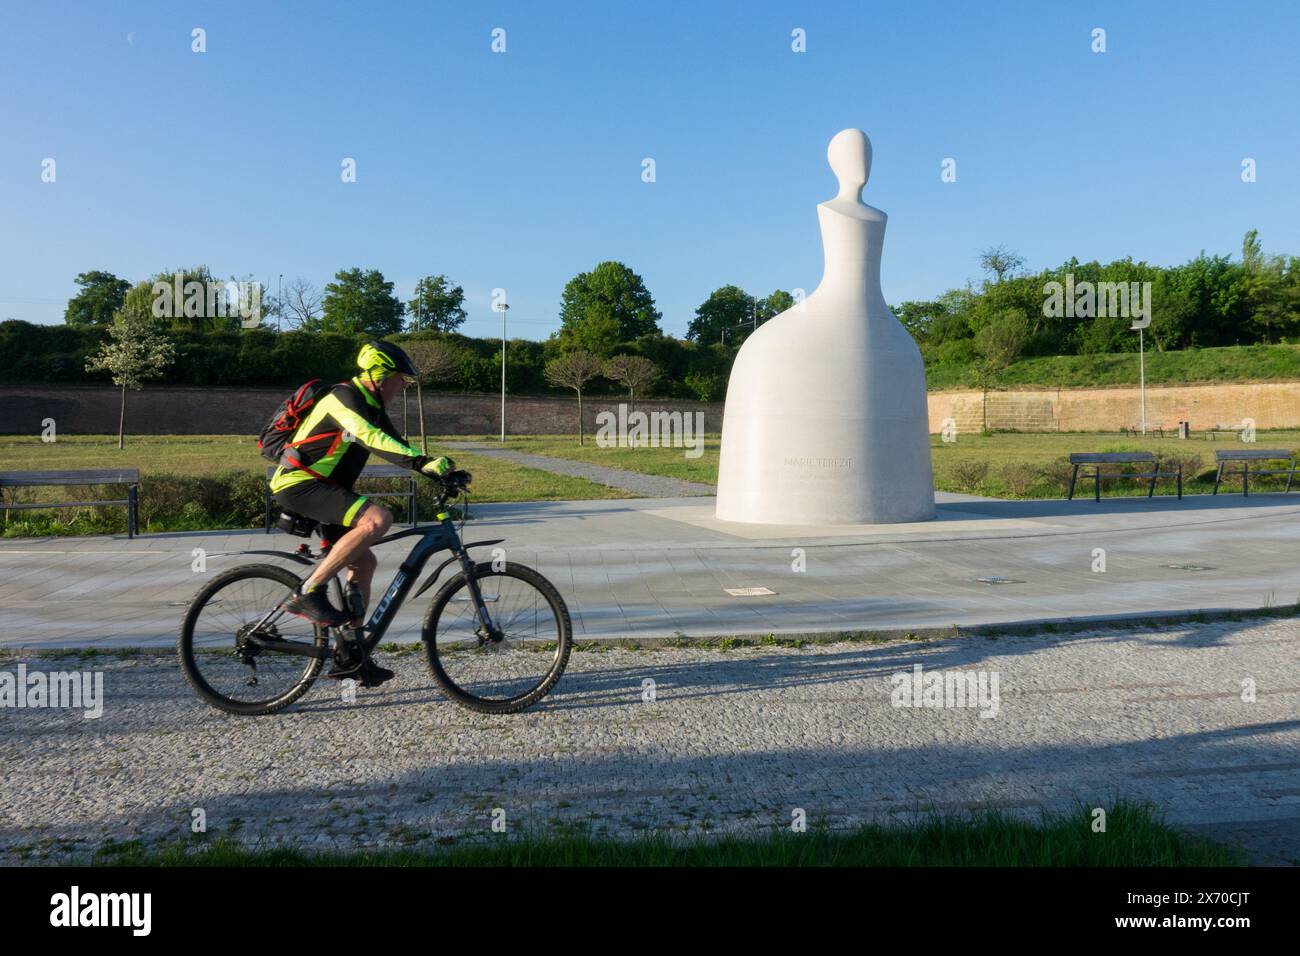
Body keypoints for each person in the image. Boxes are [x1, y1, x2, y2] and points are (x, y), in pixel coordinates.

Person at [269, 339, 453, 687]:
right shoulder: (344, 398)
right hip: (300, 483)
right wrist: (421, 463)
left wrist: (435, 468)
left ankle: (352, 655)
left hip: (326, 488)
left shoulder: (372, 406)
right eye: (399, 379)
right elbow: (370, 437)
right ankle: (308, 592)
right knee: (377, 519)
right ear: (379, 376)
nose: (401, 387)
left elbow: (397, 444)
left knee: (364, 563)